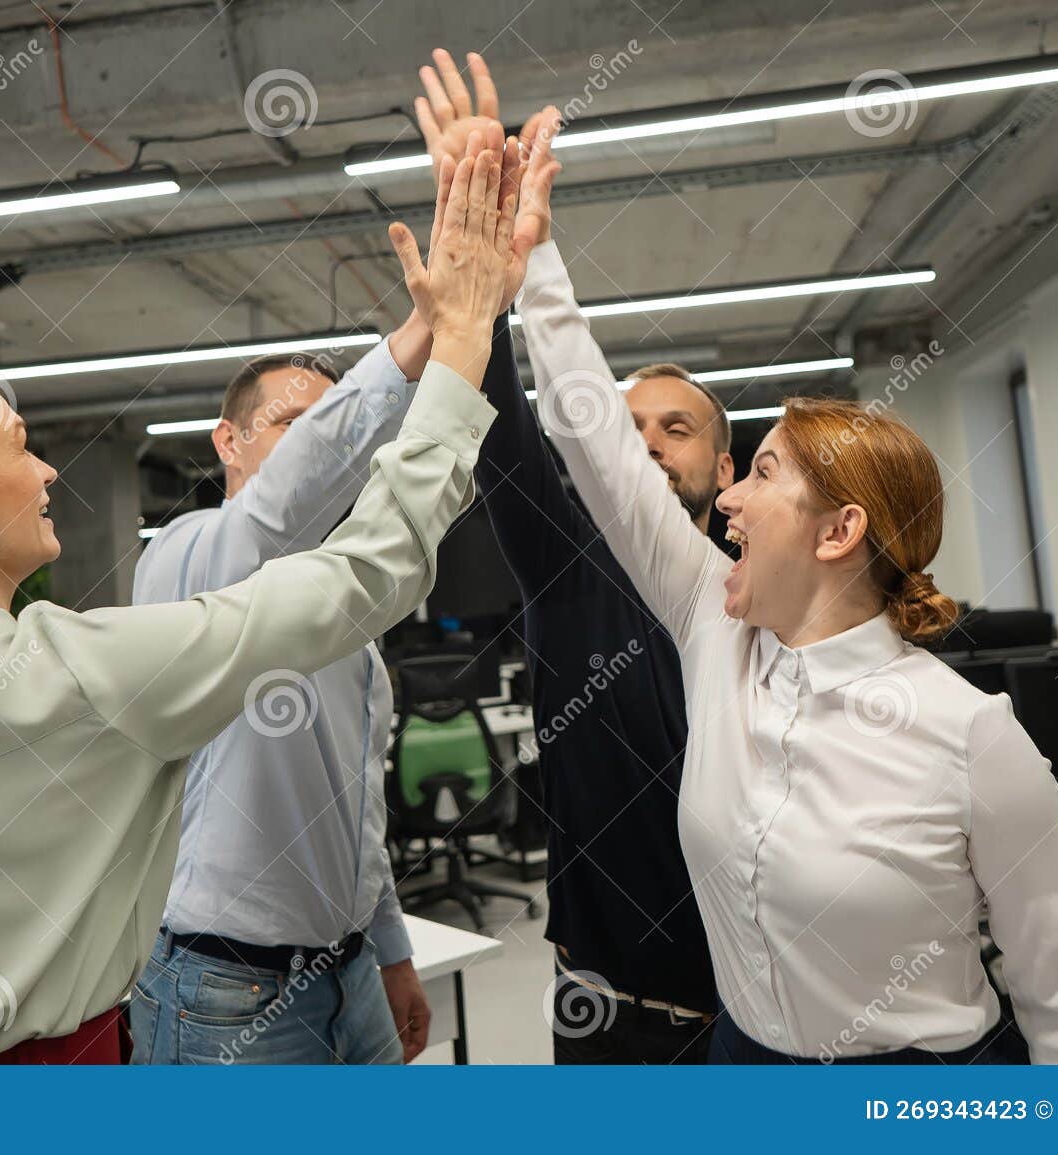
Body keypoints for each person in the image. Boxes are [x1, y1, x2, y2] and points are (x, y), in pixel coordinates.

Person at [0, 144, 514, 1065]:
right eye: (19, 448)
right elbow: (371, 568)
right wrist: (460, 343)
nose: (50, 469)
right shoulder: (79, 673)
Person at [520, 195, 1058, 1063]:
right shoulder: (715, 637)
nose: (725, 499)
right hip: (744, 1065)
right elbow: (604, 458)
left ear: (838, 531)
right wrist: (535, 261)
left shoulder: (969, 734)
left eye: (762, 474)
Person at [127, 126, 547, 1065]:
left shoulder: (345, 619)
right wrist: (429, 333)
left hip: (347, 971)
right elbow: (286, 502)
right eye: (289, 420)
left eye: (329, 421)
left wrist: (390, 949)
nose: (320, 442)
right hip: (223, 991)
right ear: (226, 442)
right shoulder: (191, 557)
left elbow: (352, 815)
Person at [416, 50, 727, 1063]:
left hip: (769, 1013)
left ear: (727, 468)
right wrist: (489, 279)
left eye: (674, 429)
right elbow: (505, 433)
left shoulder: (761, 594)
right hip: (610, 1012)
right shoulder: (566, 560)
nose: (642, 443)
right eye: (625, 426)